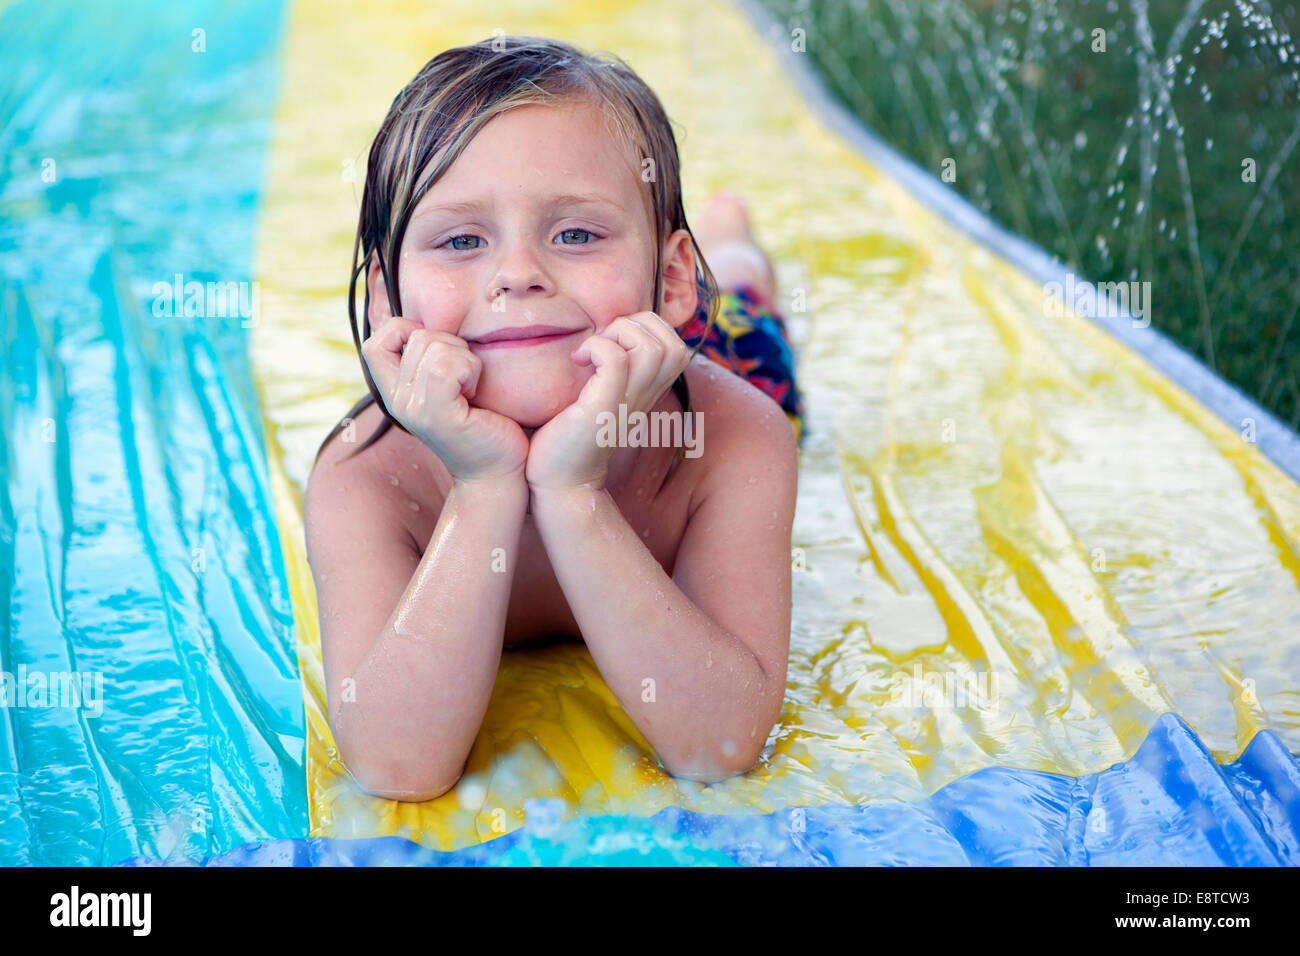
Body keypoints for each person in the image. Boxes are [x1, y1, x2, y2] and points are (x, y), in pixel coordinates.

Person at [304, 35, 803, 802]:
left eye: (575, 233)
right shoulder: (366, 475)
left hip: (716, 354)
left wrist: (574, 493)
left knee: (741, 299)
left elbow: (721, 741)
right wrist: (483, 487)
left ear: (669, 279)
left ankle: (730, 243)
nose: (517, 276)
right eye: (461, 239)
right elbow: (395, 763)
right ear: (383, 298)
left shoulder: (735, 438)